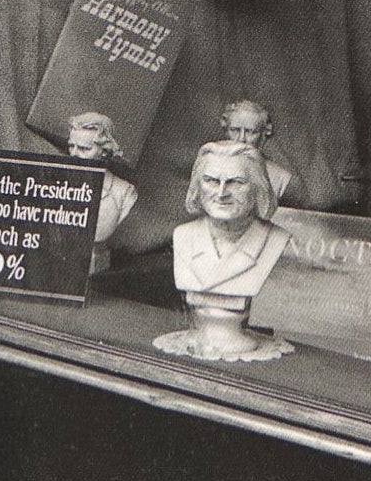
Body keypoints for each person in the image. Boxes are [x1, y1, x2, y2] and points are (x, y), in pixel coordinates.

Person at [156, 140, 292, 363]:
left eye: (235, 182)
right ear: (197, 186)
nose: (221, 193)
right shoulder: (183, 236)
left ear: (257, 187)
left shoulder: (274, 240)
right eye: (210, 181)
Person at [65, 110, 138, 276]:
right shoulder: (59, 186)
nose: (74, 154)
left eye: (84, 149)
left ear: (104, 151)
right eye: (71, 146)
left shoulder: (123, 192)